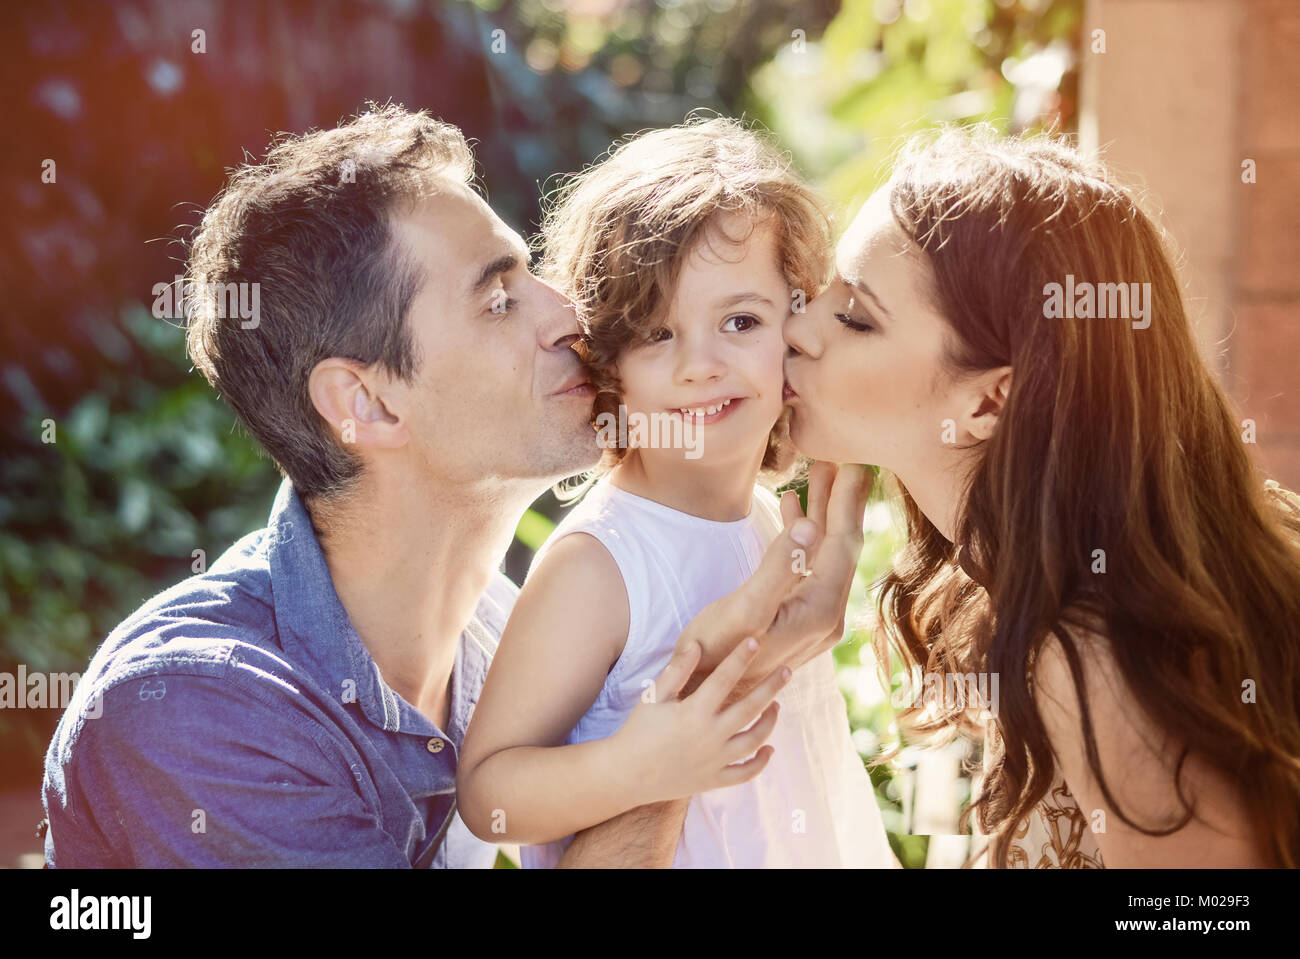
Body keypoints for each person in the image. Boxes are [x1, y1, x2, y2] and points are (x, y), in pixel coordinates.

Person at [40, 104, 865, 868]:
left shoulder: (501, 641)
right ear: (367, 403)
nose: (571, 315)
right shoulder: (200, 714)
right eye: (501, 299)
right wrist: (739, 669)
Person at [783, 125, 1300, 868]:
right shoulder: (1011, 589)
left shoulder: (1097, 655)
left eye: (857, 317)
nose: (797, 327)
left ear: (992, 403)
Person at [456, 118, 894, 867]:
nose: (701, 364)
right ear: (607, 358)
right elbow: (491, 792)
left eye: (741, 321)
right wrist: (638, 766)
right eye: (659, 333)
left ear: (797, 323)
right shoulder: (601, 565)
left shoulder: (765, 521)